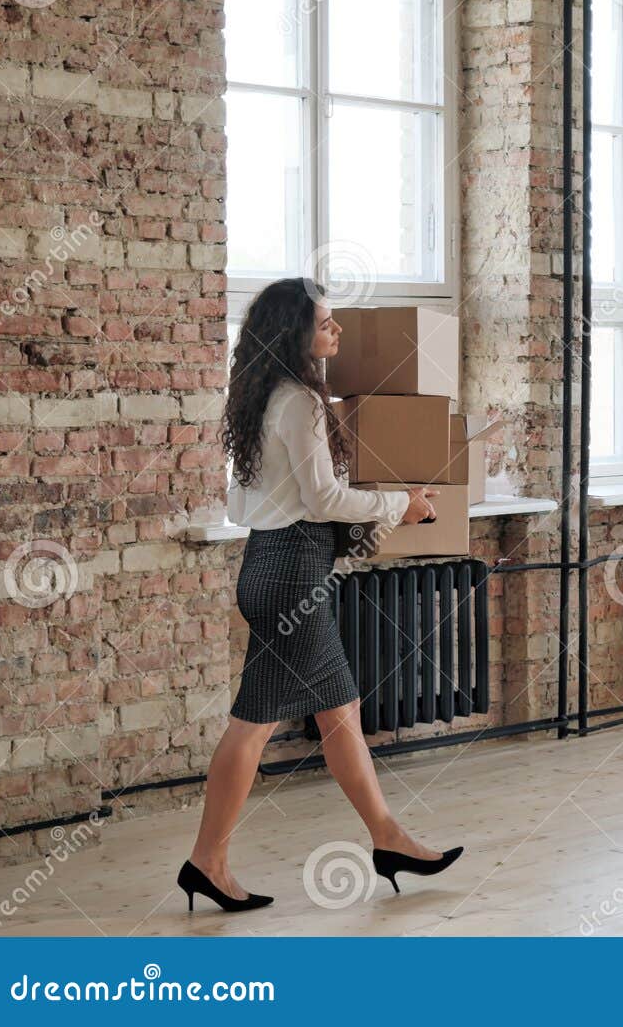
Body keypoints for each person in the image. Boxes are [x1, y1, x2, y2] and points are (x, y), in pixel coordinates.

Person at [178, 277, 462, 912]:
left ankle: (387, 838)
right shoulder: (301, 401)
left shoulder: (259, 397)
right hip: (293, 580)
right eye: (326, 322)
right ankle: (208, 860)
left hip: (270, 567)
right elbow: (324, 500)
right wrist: (402, 504)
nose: (336, 331)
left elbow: (253, 499)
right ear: (294, 332)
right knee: (253, 727)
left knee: (339, 713)